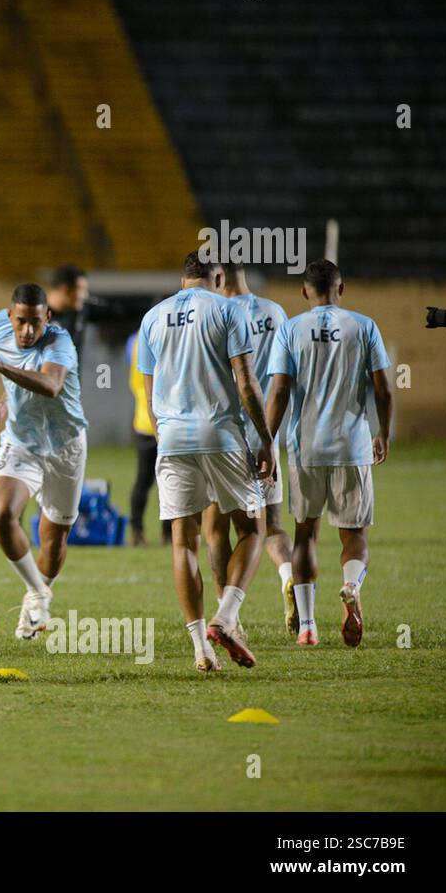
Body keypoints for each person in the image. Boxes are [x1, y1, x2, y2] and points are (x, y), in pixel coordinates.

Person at [136, 252, 273, 673]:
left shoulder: (153, 317)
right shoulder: (228, 309)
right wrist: (265, 439)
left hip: (172, 438)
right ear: (217, 277)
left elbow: (148, 389)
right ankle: (227, 616)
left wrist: (165, 438)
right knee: (253, 527)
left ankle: (201, 649)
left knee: (183, 540)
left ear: (183, 280)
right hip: (220, 432)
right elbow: (247, 384)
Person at [265, 259, 392, 648]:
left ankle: (307, 626)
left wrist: (267, 442)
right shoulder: (364, 326)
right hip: (351, 446)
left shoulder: (290, 330)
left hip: (306, 448)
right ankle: (351, 587)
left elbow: (281, 391)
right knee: (354, 535)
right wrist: (383, 432)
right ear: (342, 289)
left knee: (306, 534)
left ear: (305, 292)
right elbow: (383, 389)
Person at [0, 283, 88, 640]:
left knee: (53, 538)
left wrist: (2, 370)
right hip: (22, 444)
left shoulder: (60, 343)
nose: (28, 331)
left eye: (36, 322)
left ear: (47, 318)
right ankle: (37, 591)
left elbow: (51, 385)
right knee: (2, 514)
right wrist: (9, 392)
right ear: (9, 317)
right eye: (21, 321)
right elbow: (19, 365)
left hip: (66, 447)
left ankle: (35, 597)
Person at [202, 262, 294, 637]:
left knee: (216, 530)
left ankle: (229, 615)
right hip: (265, 436)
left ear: (218, 276)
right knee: (271, 525)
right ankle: (287, 576)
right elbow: (281, 380)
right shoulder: (275, 313)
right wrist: (269, 436)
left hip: (223, 435)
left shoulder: (213, 314)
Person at [126, 330, 170, 546]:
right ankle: (168, 535)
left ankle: (136, 531)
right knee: (169, 481)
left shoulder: (133, 341)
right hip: (164, 422)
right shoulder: (167, 337)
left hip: (142, 420)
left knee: (143, 480)